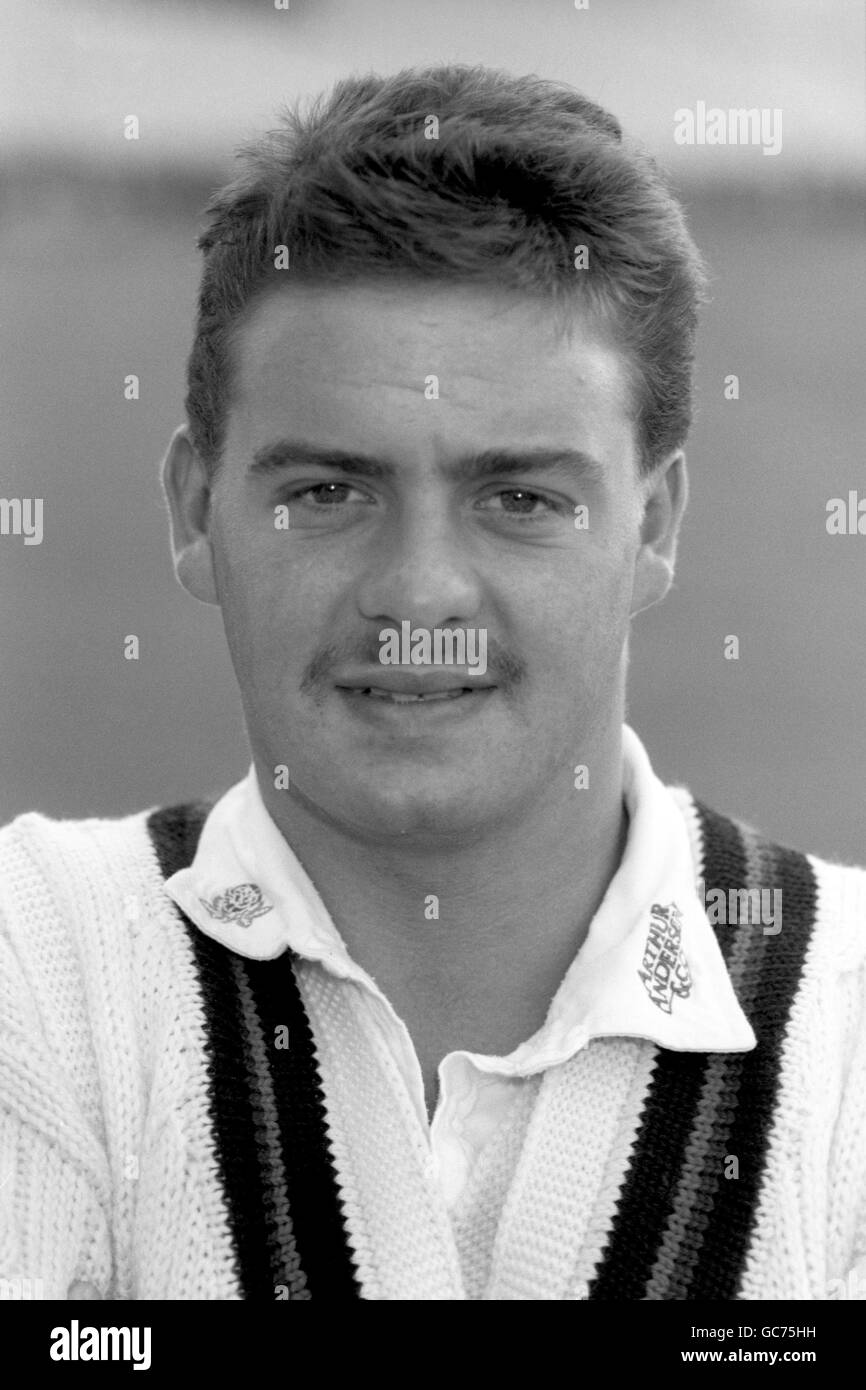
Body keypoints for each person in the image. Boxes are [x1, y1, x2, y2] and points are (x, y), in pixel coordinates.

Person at [2, 65, 864, 1303]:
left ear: (653, 523)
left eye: (520, 498)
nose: (418, 596)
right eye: (328, 492)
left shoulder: (844, 1025)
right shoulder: (36, 967)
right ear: (195, 509)